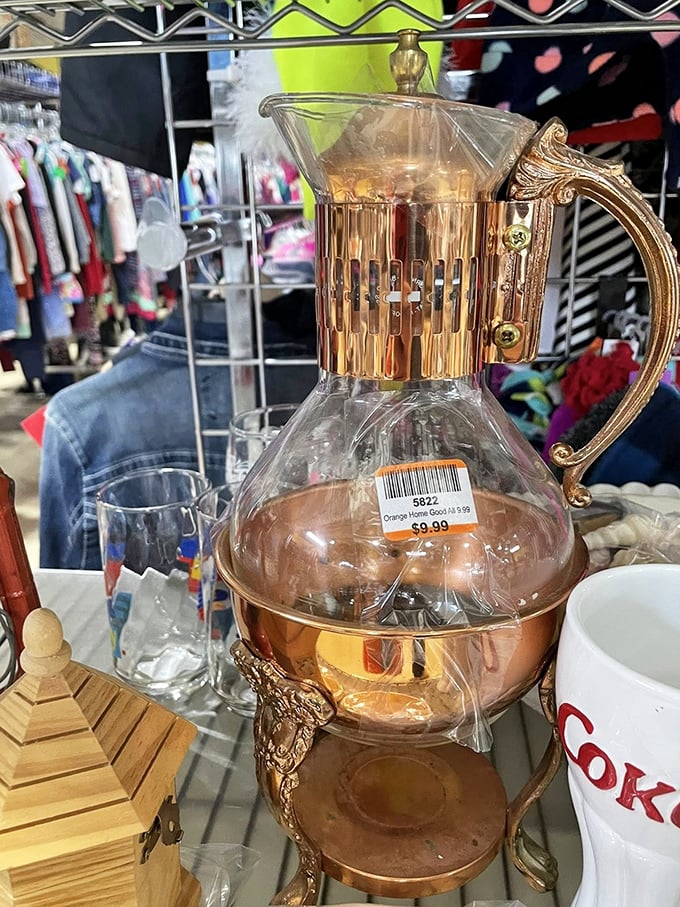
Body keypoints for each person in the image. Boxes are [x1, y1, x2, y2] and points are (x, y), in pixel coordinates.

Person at [39, 291, 318, 570]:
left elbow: (52, 597)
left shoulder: (77, 416)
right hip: (287, 603)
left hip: (144, 610)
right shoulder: (346, 402)